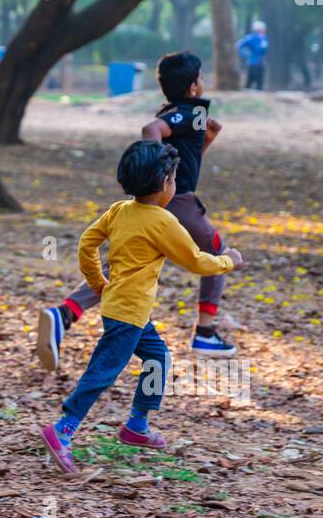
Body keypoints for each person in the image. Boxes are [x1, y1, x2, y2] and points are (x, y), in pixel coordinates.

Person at [37, 140, 243, 474]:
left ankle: (137, 425)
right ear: (164, 183)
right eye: (174, 180)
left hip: (126, 309)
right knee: (101, 373)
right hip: (128, 314)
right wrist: (227, 262)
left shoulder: (120, 210)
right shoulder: (163, 222)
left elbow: (88, 241)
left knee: (158, 359)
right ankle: (62, 430)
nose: (174, 187)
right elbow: (195, 261)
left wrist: (95, 282)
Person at [37, 51, 237, 367]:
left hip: (175, 196)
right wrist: (158, 181)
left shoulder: (188, 114)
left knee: (124, 266)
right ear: (193, 86)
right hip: (179, 202)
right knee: (217, 252)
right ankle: (205, 332)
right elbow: (151, 130)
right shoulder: (183, 113)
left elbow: (184, 162)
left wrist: (205, 139)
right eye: (200, 77)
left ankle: (65, 313)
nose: (203, 82)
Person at [237, 20, 268, 89]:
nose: (264, 30)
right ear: (257, 29)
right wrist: (247, 54)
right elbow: (239, 46)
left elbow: (264, 51)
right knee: (250, 79)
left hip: (261, 63)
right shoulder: (250, 38)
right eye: (262, 29)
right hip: (253, 62)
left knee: (260, 81)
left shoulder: (264, 38)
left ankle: (260, 95)